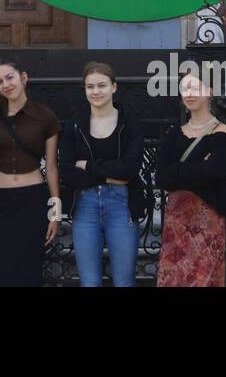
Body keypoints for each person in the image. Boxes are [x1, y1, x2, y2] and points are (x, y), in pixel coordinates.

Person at [0, 56, 61, 287]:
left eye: (9, 77)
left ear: (24, 78)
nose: (5, 84)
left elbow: (51, 167)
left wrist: (56, 212)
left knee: (28, 270)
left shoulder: (45, 117)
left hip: (32, 200)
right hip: (0, 203)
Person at [59, 61, 144, 287]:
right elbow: (66, 171)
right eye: (90, 86)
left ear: (114, 87)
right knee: (89, 281)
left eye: (102, 85)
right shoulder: (75, 124)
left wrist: (87, 166)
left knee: (124, 281)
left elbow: (130, 168)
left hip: (121, 203)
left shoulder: (129, 122)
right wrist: (108, 173)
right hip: (85, 204)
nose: (95, 91)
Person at [154, 73, 226, 287]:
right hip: (177, 222)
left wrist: (177, 170)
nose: (190, 94)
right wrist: (197, 167)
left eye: (196, 88)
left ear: (209, 92)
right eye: (185, 89)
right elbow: (161, 177)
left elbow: (215, 171)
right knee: (174, 279)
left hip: (208, 219)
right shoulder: (174, 134)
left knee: (203, 279)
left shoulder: (220, 130)